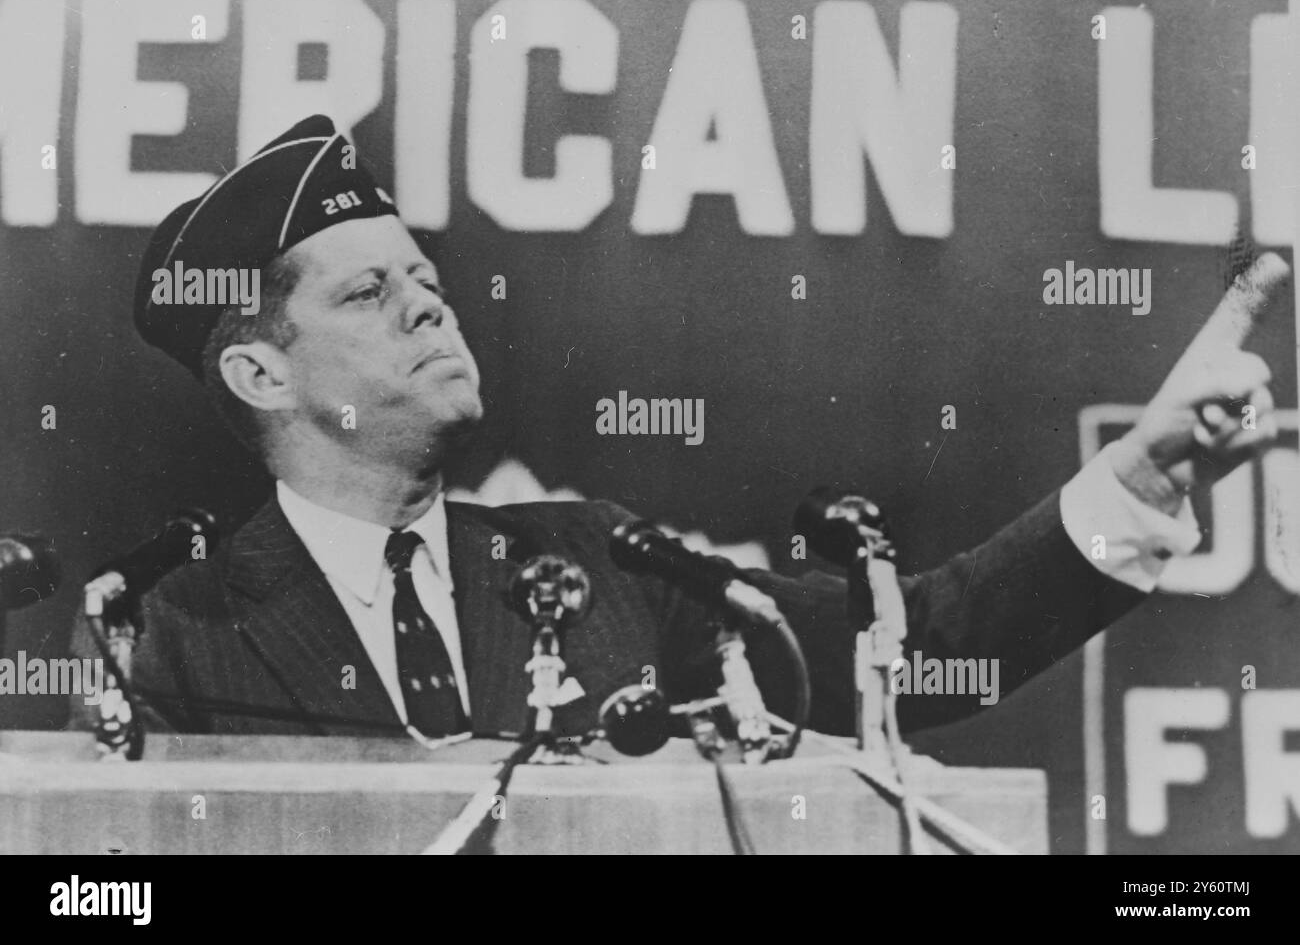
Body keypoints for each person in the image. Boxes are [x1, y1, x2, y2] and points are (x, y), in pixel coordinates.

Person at [69, 115, 1287, 744]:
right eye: (364, 292)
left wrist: (1144, 471)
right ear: (259, 374)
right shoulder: (170, 629)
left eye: (422, 274)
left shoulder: (604, 561)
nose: (426, 302)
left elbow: (912, 652)